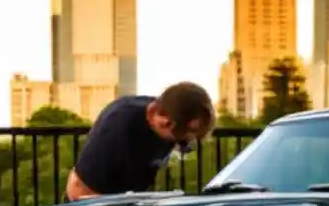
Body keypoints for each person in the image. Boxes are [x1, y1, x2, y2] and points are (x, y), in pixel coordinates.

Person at [64, 82, 216, 200]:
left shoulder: (168, 113)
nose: (185, 141)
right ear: (164, 120)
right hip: (90, 200)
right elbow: (80, 187)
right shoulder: (118, 126)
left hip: (127, 199)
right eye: (185, 135)